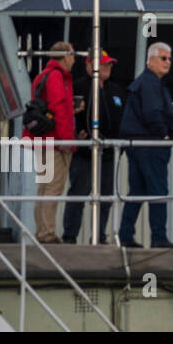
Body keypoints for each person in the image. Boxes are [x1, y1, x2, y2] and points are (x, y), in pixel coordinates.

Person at [117, 42, 173, 249]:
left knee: (137, 190)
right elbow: (153, 113)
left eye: (170, 59)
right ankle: (158, 237)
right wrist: (163, 135)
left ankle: (126, 235)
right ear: (151, 60)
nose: (168, 62)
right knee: (158, 190)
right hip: (149, 146)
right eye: (163, 58)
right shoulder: (151, 83)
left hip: (138, 145)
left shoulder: (146, 82)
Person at [62, 51, 123, 244]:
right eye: (103, 65)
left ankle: (99, 236)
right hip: (85, 152)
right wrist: (78, 131)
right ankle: (70, 237)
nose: (107, 68)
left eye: (109, 65)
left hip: (109, 152)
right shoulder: (78, 87)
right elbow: (67, 113)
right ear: (89, 65)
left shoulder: (116, 90)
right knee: (78, 194)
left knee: (105, 197)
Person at [23, 42, 76, 243]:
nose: (74, 58)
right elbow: (59, 108)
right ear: (64, 56)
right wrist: (66, 140)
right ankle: (47, 233)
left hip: (42, 139)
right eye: (72, 54)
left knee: (44, 185)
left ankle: (41, 231)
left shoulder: (41, 75)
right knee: (53, 186)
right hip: (54, 140)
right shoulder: (57, 76)